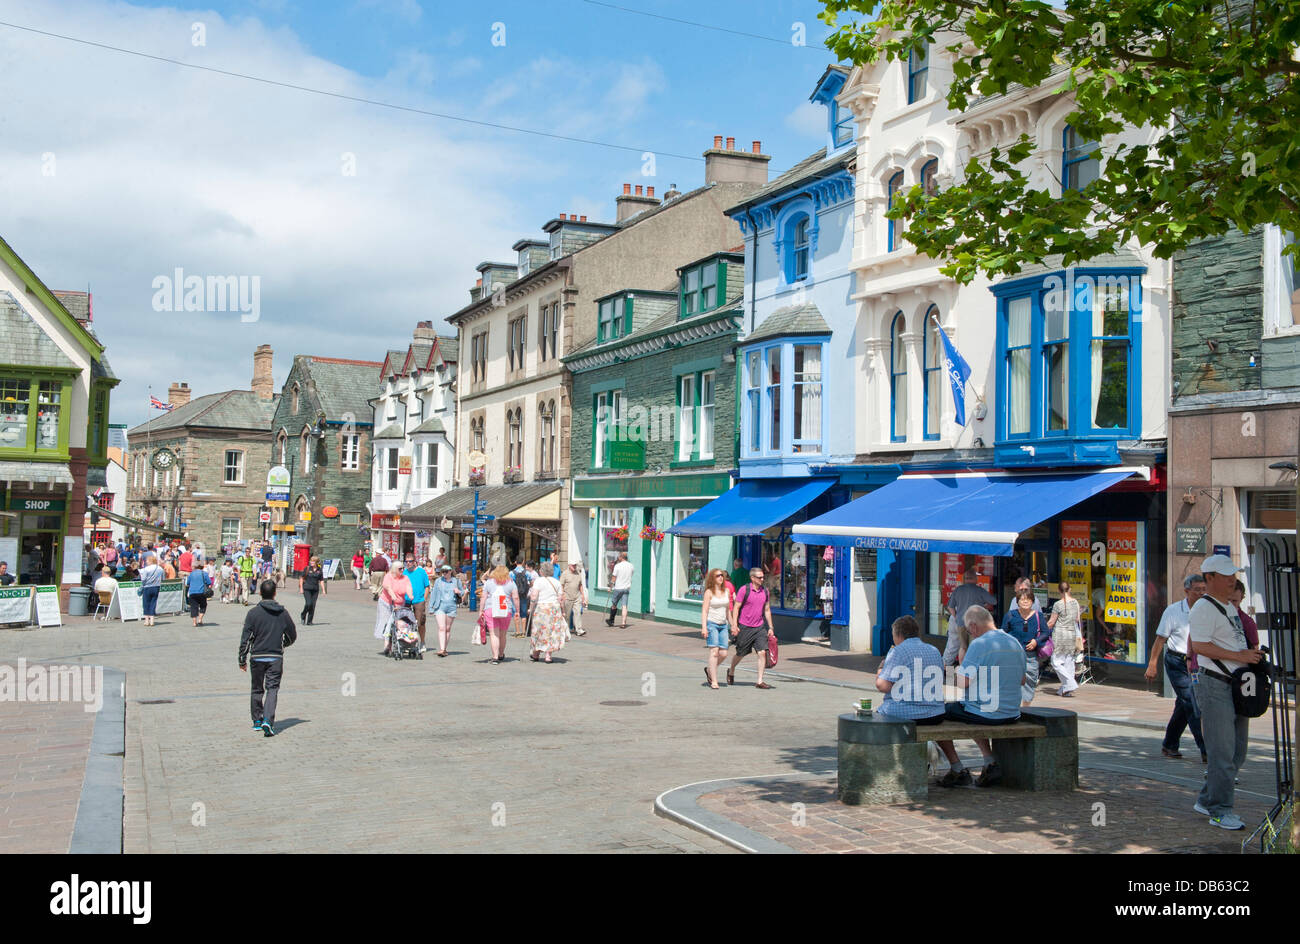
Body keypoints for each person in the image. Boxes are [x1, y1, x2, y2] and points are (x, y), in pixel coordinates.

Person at [1190, 554, 1265, 831]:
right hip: (1216, 683)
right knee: (1223, 752)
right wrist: (1239, 654)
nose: (1232, 579)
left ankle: (1207, 799)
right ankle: (1220, 811)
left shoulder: (1228, 606)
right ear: (1209, 578)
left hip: (1235, 683)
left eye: (1232, 574)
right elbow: (1199, 646)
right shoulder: (1203, 608)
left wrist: (1249, 657)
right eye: (1225, 575)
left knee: (1237, 752)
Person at [933, 605, 1027, 787]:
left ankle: (957, 769)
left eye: (969, 630)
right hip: (1011, 712)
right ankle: (989, 762)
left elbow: (962, 683)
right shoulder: (1014, 642)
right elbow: (1022, 680)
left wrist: (957, 667)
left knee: (938, 714)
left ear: (974, 626)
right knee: (972, 707)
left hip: (986, 713)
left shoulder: (979, 644)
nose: (971, 634)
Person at [1145, 574, 1209, 761]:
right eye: (1197, 590)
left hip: (1197, 662)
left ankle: (1169, 744)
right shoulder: (1173, 611)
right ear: (1187, 590)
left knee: (1184, 704)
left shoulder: (1207, 610)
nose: (1201, 593)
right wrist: (1152, 664)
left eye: (1204, 590)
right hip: (1177, 662)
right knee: (1192, 701)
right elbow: (1160, 639)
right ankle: (1205, 749)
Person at [237, 579, 297, 738]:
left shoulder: (253, 613)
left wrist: (242, 659)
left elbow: (246, 638)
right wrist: (283, 644)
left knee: (257, 688)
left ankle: (257, 719)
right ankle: (267, 720)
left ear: (260, 593)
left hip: (257, 656)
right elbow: (292, 635)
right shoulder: (283, 613)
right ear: (275, 593)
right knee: (272, 689)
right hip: (275, 656)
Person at [875, 615, 946, 723]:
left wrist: (881, 669)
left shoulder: (898, 651)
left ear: (898, 635)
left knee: (871, 721)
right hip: (936, 714)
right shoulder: (934, 650)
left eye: (893, 636)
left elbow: (882, 686)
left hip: (905, 715)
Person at [728, 567, 776, 689]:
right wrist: (734, 625)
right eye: (760, 577)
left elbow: (767, 609)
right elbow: (736, 607)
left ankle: (759, 681)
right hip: (745, 626)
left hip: (759, 627)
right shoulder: (744, 590)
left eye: (763, 577)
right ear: (752, 578)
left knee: (761, 653)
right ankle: (731, 669)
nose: (762, 579)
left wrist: (770, 627)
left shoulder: (765, 591)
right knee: (741, 653)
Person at [1001, 588, 1050, 705]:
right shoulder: (1010, 615)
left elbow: (1045, 632)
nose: (1025, 602)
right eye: (1022, 600)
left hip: (1030, 655)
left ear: (1032, 601)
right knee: (1013, 681)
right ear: (1017, 601)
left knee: (1030, 681)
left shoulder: (1038, 616)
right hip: (1013, 655)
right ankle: (1013, 707)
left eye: (1028, 599)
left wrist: (1036, 641)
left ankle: (1026, 709)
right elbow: (1003, 633)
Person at [944, 566, 996, 667]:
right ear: (975, 579)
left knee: (962, 647)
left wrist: (956, 617)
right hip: (975, 624)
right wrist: (982, 605)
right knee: (974, 647)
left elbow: (950, 607)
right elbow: (994, 601)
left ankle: (962, 669)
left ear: (965, 579)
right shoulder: (979, 590)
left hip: (961, 623)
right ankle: (973, 670)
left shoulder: (958, 590)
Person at [699, 568, 735, 689]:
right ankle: (714, 680)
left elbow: (727, 611)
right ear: (712, 579)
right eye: (718, 576)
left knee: (724, 653)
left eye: (722, 575)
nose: (721, 577)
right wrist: (704, 627)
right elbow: (704, 611)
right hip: (712, 624)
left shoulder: (727, 591)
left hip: (723, 625)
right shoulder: (709, 592)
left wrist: (733, 624)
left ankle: (710, 669)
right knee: (714, 652)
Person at [1047, 581, 1083, 697]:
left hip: (1060, 635)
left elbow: (1052, 622)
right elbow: (1077, 619)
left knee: (1056, 661)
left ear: (1059, 590)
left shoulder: (1058, 604)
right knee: (1069, 661)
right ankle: (1065, 689)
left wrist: (1042, 629)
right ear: (1070, 589)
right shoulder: (1076, 602)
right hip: (1072, 634)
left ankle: (1070, 684)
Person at [527, 565, 568, 663]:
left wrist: (530, 608)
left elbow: (534, 596)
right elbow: (561, 599)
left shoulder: (538, 581)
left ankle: (536, 653)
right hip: (554, 609)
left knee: (538, 631)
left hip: (541, 608)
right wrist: (563, 611)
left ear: (541, 571)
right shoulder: (557, 582)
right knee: (551, 632)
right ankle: (548, 656)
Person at [479, 565, 519, 665]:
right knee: (503, 634)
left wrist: (481, 610)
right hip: (506, 611)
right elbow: (516, 598)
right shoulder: (511, 583)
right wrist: (517, 611)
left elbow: (483, 597)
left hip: (491, 609)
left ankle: (495, 657)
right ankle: (501, 654)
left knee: (494, 634)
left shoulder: (489, 582)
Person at [428, 564, 461, 657]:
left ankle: (444, 649)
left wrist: (459, 592)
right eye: (442, 572)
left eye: (446, 572)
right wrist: (431, 607)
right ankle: (442, 649)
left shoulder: (456, 581)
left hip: (451, 606)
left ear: (450, 571)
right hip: (440, 606)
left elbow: (463, 592)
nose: (444, 574)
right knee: (442, 627)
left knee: (447, 628)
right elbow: (433, 594)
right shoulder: (438, 581)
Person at [403, 552, 430, 652]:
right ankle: (408, 643)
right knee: (406, 623)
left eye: (410, 561)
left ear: (415, 562)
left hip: (419, 600)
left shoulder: (421, 572)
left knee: (420, 622)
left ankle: (422, 642)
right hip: (406, 600)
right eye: (407, 561)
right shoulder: (404, 572)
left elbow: (427, 586)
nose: (408, 563)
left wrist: (424, 599)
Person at [560, 558, 588, 638]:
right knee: (567, 615)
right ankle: (566, 629)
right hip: (567, 597)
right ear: (569, 565)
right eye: (573, 565)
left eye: (575, 565)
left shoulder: (578, 573)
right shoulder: (565, 573)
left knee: (578, 612)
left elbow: (580, 585)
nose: (574, 567)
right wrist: (562, 595)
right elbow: (561, 585)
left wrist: (583, 595)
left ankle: (579, 629)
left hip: (577, 596)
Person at [1230, 579, 1260, 649]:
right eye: (1227, 599)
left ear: (1242, 599)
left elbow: (1254, 649)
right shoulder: (1211, 616)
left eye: (1234, 601)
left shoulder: (1246, 622)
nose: (1230, 604)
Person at [606, 552, 633, 628]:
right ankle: (623, 623)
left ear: (621, 557)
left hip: (618, 588)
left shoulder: (617, 566)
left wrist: (610, 587)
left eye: (619, 557)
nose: (618, 558)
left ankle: (611, 620)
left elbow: (614, 578)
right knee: (624, 606)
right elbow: (631, 575)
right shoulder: (631, 566)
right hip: (626, 588)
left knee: (614, 605)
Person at [298, 555, 324, 626]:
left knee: (313, 605)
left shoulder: (319, 570)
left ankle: (309, 621)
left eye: (313, 561)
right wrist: (301, 588)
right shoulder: (307, 568)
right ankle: (303, 615)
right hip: (307, 588)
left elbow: (321, 580)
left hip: (315, 590)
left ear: (317, 562)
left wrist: (323, 590)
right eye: (311, 561)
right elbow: (301, 578)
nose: (311, 562)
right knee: (308, 603)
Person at [139, 553, 164, 626]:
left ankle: (147, 620)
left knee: (146, 603)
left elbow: (143, 579)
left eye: (147, 560)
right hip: (156, 586)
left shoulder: (146, 569)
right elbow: (162, 578)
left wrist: (142, 585)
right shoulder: (160, 568)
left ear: (150, 561)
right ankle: (152, 620)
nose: (146, 562)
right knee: (153, 602)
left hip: (147, 587)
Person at [511, 559, 532, 638]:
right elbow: (531, 583)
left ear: (516, 562)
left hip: (515, 595)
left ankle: (517, 632)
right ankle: (523, 632)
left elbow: (510, 584)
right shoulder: (527, 573)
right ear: (523, 562)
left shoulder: (511, 573)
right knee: (523, 614)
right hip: (524, 595)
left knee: (516, 612)